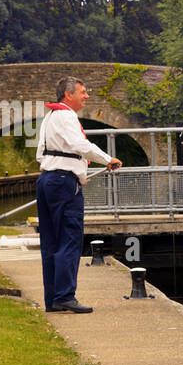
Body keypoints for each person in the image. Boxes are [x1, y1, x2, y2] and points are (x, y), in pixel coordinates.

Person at [35, 76, 121, 312]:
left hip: (47, 181)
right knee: (69, 239)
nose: (86, 96)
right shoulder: (66, 116)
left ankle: (53, 299)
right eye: (82, 92)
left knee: (50, 241)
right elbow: (80, 145)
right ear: (68, 95)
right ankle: (65, 295)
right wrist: (107, 159)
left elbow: (41, 153)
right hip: (63, 183)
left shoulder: (50, 117)